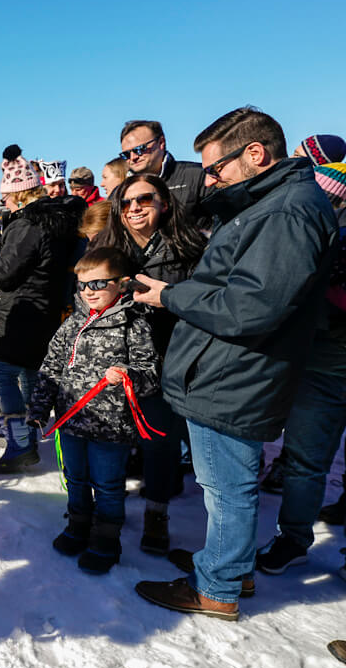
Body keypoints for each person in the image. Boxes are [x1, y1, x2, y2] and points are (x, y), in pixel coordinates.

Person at [132, 107, 338, 621]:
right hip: (229, 367)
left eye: (215, 167)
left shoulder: (286, 213)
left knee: (227, 488)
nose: (208, 179)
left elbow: (252, 307)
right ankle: (230, 563)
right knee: (225, 485)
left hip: (235, 372)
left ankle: (217, 586)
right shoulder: (270, 204)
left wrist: (170, 296)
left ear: (255, 153)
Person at [27, 247, 159, 574]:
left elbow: (151, 374)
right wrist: (39, 407)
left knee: (108, 485)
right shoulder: (73, 323)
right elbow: (52, 367)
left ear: (121, 283)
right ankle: (78, 526)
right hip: (71, 422)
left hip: (112, 427)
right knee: (75, 478)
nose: (89, 291)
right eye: (83, 285)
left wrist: (128, 375)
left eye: (98, 283)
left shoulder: (133, 324)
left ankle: (106, 540)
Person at [92, 175, 206, 553]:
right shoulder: (105, 247)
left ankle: (157, 512)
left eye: (144, 199)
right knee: (111, 437)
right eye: (126, 202)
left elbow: (205, 301)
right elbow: (82, 296)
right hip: (115, 357)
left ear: (164, 203)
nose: (134, 208)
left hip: (167, 357)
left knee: (159, 439)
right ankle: (105, 510)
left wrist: (168, 298)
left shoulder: (189, 248)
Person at [247, 162, 346, 577]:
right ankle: (293, 539)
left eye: (335, 201)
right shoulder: (315, 235)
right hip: (323, 366)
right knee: (306, 461)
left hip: (325, 362)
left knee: (308, 463)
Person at [0, 145, 83, 473]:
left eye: (6, 197)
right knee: (30, 376)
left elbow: (6, 275)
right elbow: (30, 262)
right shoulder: (53, 219)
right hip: (45, 310)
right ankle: (27, 438)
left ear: (19, 195)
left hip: (22, 313)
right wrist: (2, 255)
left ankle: (21, 443)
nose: (4, 202)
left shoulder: (27, 224)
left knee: (2, 373)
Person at [118, 120, 207, 219]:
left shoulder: (199, 175)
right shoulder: (119, 192)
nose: (133, 157)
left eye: (140, 149)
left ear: (161, 142)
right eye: (126, 154)